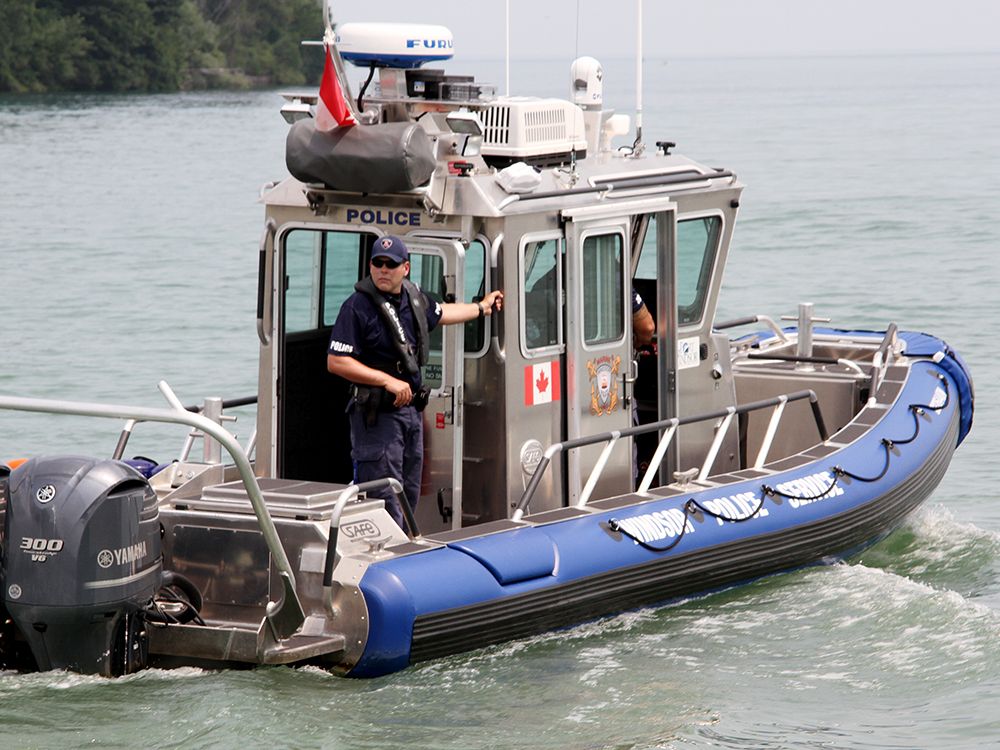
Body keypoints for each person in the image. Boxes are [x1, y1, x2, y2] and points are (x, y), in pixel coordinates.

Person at [327, 235, 503, 528]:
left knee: (408, 492)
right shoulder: (356, 307)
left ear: (405, 268)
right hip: (377, 419)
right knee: (383, 496)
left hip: (409, 415)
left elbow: (443, 313)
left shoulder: (413, 298)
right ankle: (385, 558)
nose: (384, 270)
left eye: (391, 264)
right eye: (378, 263)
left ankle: (406, 548)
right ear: (370, 266)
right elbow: (336, 361)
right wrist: (386, 381)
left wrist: (482, 307)